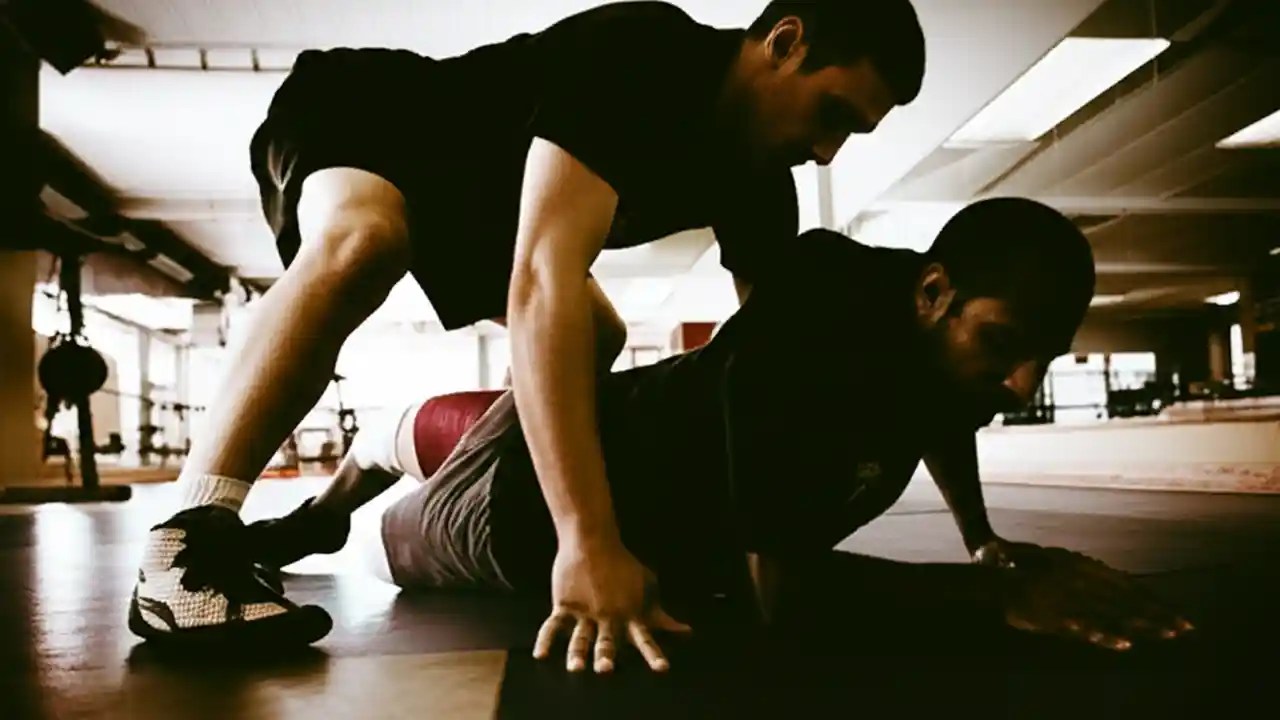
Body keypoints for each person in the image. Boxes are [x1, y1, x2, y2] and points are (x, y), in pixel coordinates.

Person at [128, 0, 928, 648]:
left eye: (849, 135)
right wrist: (586, 536)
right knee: (363, 241)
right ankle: (185, 546)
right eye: (832, 113)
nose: (826, 151)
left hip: (482, 216)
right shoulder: (644, 52)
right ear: (784, 42)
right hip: (375, 117)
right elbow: (540, 283)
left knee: (602, 336)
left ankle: (335, 512)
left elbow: (776, 358)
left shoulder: (758, 179)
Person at [233, 199, 1194, 674]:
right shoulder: (812, 344)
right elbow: (787, 599)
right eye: (1006, 348)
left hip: (607, 414)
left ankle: (345, 484)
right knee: (396, 534)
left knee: (494, 411)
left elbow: (950, 413)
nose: (1022, 382)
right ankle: (335, 511)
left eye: (1047, 357)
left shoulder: (938, 329)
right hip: (522, 516)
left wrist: (979, 535)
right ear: (935, 295)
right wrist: (996, 597)